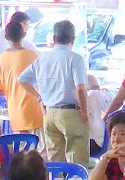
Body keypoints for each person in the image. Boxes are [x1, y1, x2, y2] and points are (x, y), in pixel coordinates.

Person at [21, 19, 91, 165]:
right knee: (76, 159)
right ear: (73, 39)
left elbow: (22, 79)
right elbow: (81, 88)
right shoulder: (76, 59)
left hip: (49, 114)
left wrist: (39, 98)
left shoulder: (42, 59)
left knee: (55, 160)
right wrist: (85, 112)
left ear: (54, 39)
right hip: (70, 113)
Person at [0, 17, 42, 134]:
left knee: (21, 149)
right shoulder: (33, 56)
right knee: (38, 149)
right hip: (36, 110)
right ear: (24, 35)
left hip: (16, 113)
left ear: (6, 37)